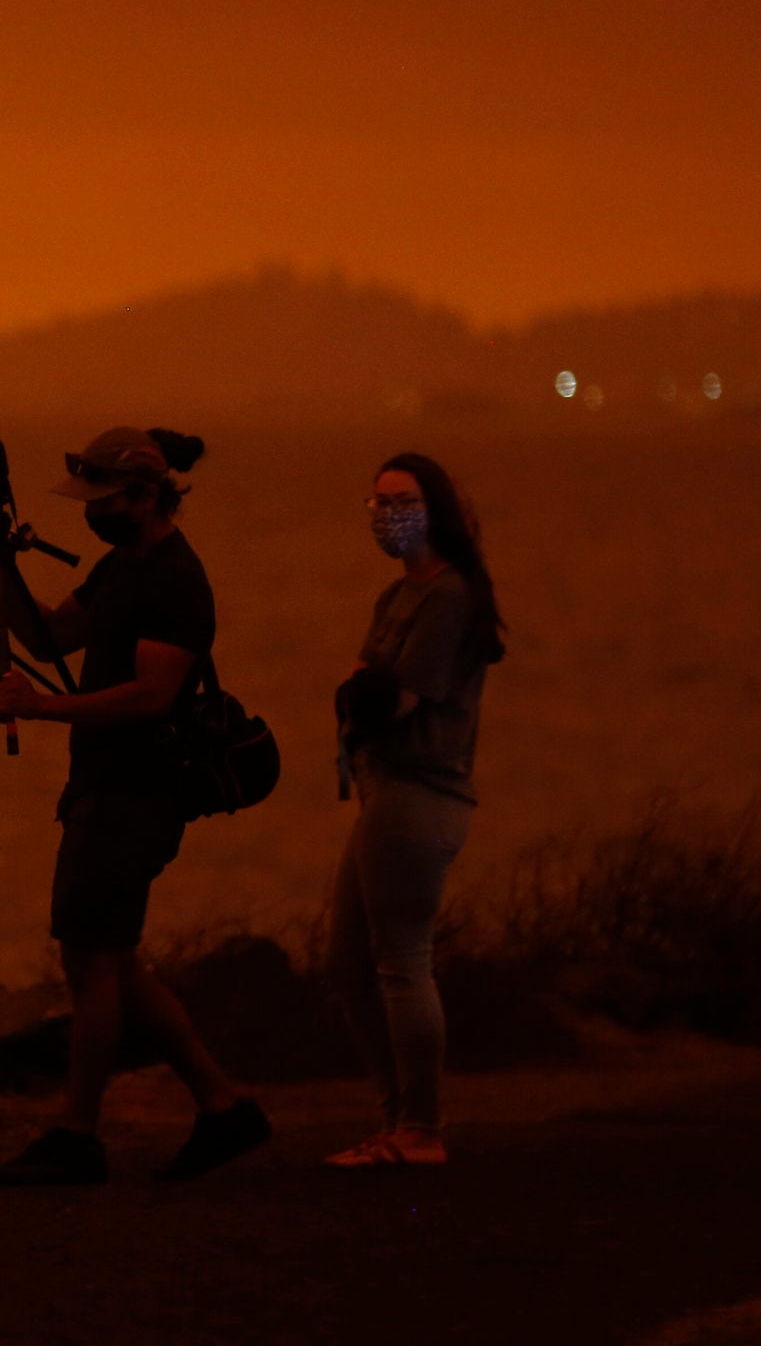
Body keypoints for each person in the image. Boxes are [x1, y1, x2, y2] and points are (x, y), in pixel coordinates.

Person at [0, 426, 270, 1186]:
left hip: (138, 792)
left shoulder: (174, 579)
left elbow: (151, 696)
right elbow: (49, 636)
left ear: (146, 495)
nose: (92, 514)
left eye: (105, 501)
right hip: (106, 786)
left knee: (90, 958)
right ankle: (222, 1107)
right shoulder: (122, 566)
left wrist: (41, 710)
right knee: (112, 956)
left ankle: (77, 1135)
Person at [324, 453, 504, 1168]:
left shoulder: (450, 598)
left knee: (401, 961)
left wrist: (361, 690)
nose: (386, 513)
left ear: (434, 508)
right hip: (381, 790)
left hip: (418, 791)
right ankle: (398, 1119)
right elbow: (364, 691)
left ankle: (420, 1130)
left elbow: (387, 701)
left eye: (400, 499)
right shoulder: (395, 597)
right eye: (375, 502)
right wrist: (361, 691)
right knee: (348, 963)